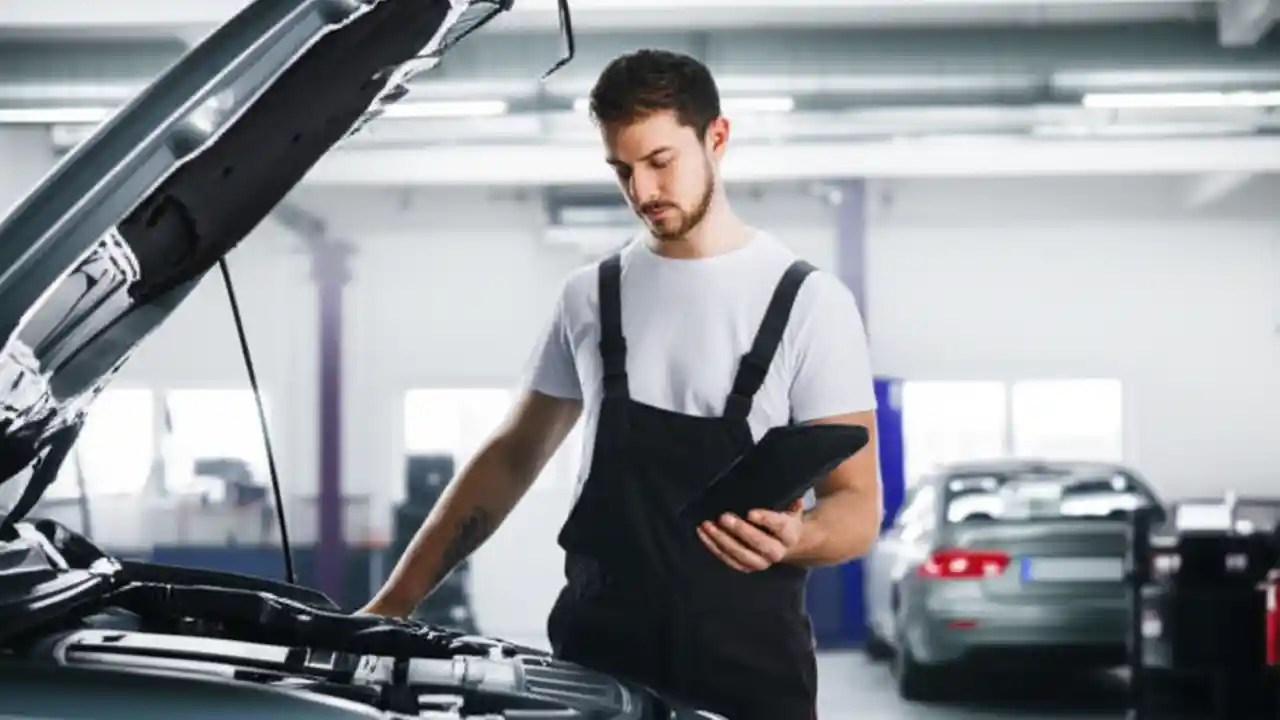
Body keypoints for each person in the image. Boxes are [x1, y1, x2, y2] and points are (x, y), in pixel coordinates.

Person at [359, 48, 882, 719]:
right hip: (596, 666)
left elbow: (857, 505)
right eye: (622, 170)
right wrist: (393, 605)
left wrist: (799, 537)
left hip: (747, 675)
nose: (642, 192)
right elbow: (512, 456)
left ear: (716, 139)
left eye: (660, 161)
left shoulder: (809, 303)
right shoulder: (590, 297)